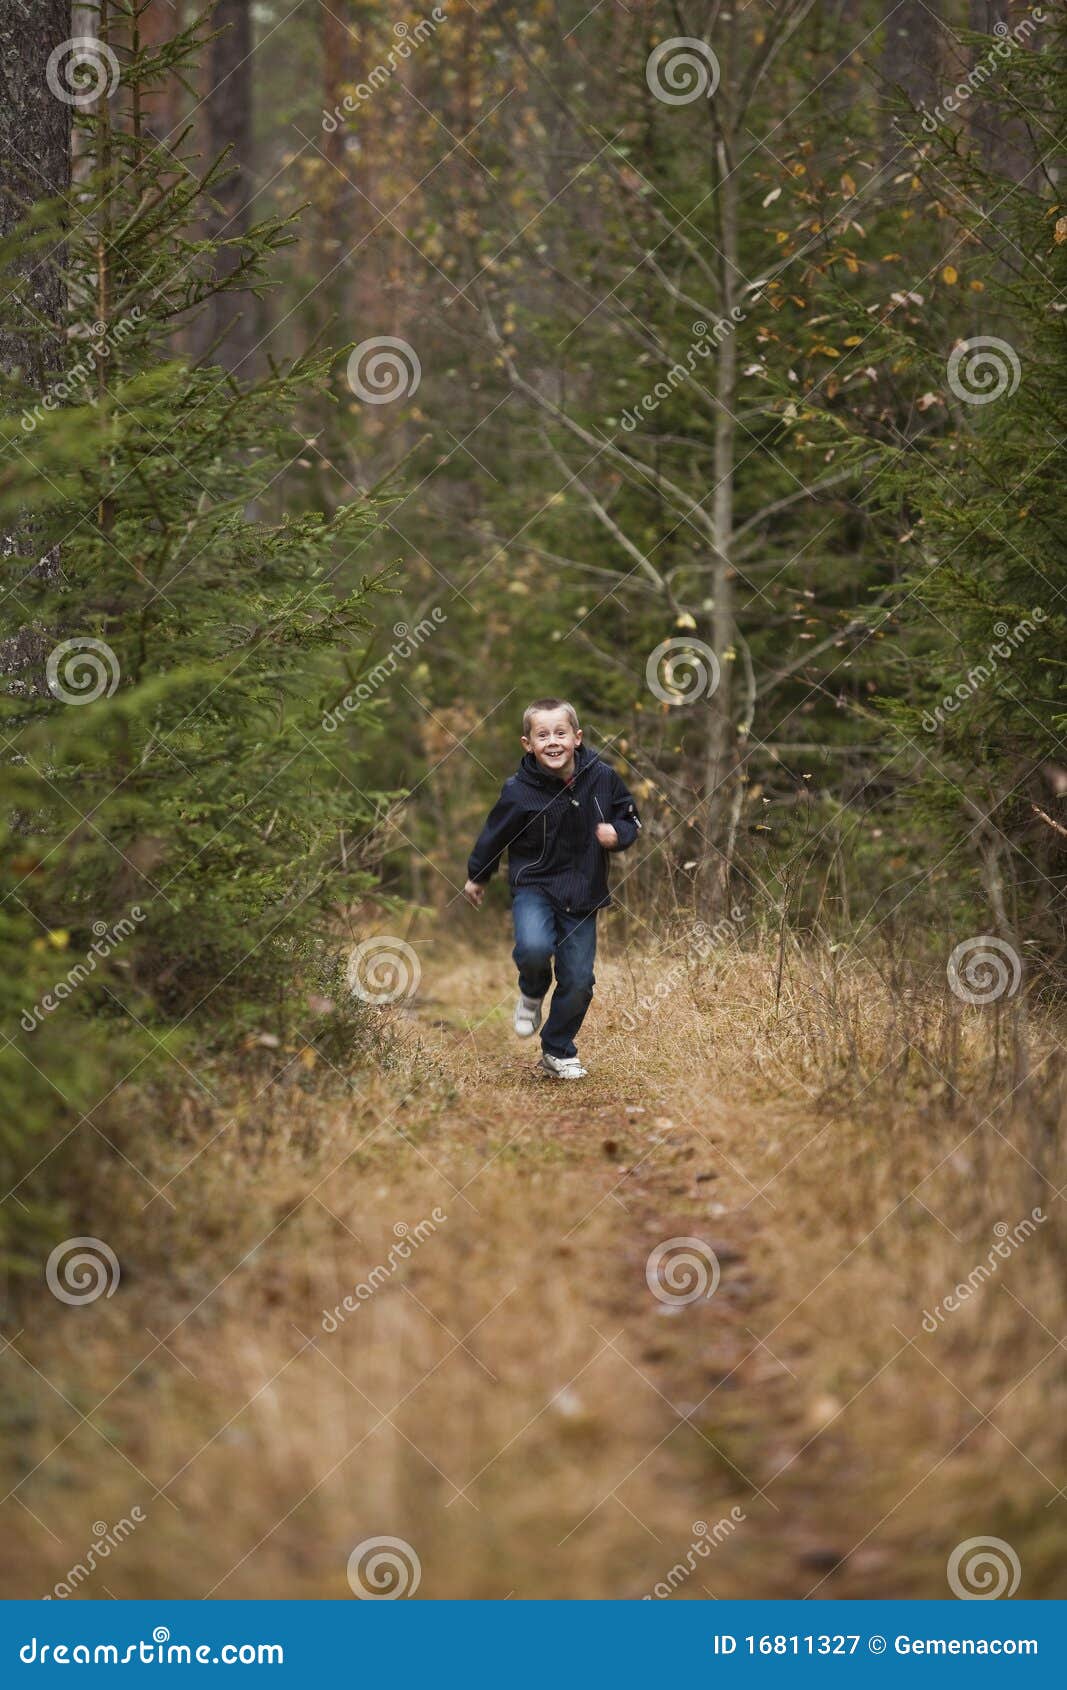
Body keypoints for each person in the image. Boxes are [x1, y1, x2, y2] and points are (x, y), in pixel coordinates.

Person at [463, 698, 642, 1079]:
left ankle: (557, 1049)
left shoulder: (603, 777)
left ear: (577, 738)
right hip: (535, 886)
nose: (553, 741)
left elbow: (630, 816)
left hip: (583, 892)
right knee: (533, 949)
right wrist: (478, 875)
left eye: (560, 733)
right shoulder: (518, 791)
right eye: (542, 735)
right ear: (528, 744)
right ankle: (532, 990)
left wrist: (619, 833)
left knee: (578, 980)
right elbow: (494, 836)